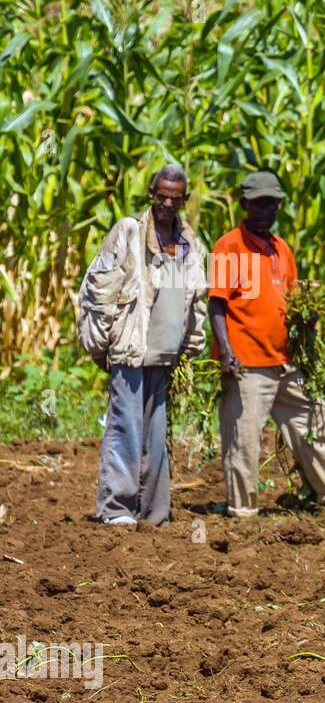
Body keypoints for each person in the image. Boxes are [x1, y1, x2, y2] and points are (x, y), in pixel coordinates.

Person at [208, 171, 325, 520]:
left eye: (272, 203)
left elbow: (290, 300)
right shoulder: (229, 246)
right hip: (247, 364)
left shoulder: (282, 249)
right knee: (244, 441)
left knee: (316, 423)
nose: (266, 210)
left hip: (286, 361)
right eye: (259, 203)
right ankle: (243, 512)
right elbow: (217, 304)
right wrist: (227, 353)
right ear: (245, 204)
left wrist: (307, 321)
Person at [77, 164, 208, 526]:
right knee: (126, 429)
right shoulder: (128, 232)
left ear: (184, 199)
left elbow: (196, 295)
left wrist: (191, 346)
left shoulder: (188, 241)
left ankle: (154, 512)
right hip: (130, 350)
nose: (167, 203)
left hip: (165, 356)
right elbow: (99, 287)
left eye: (175, 197)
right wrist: (99, 342)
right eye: (161, 196)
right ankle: (117, 510)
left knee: (155, 434)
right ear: (151, 195)